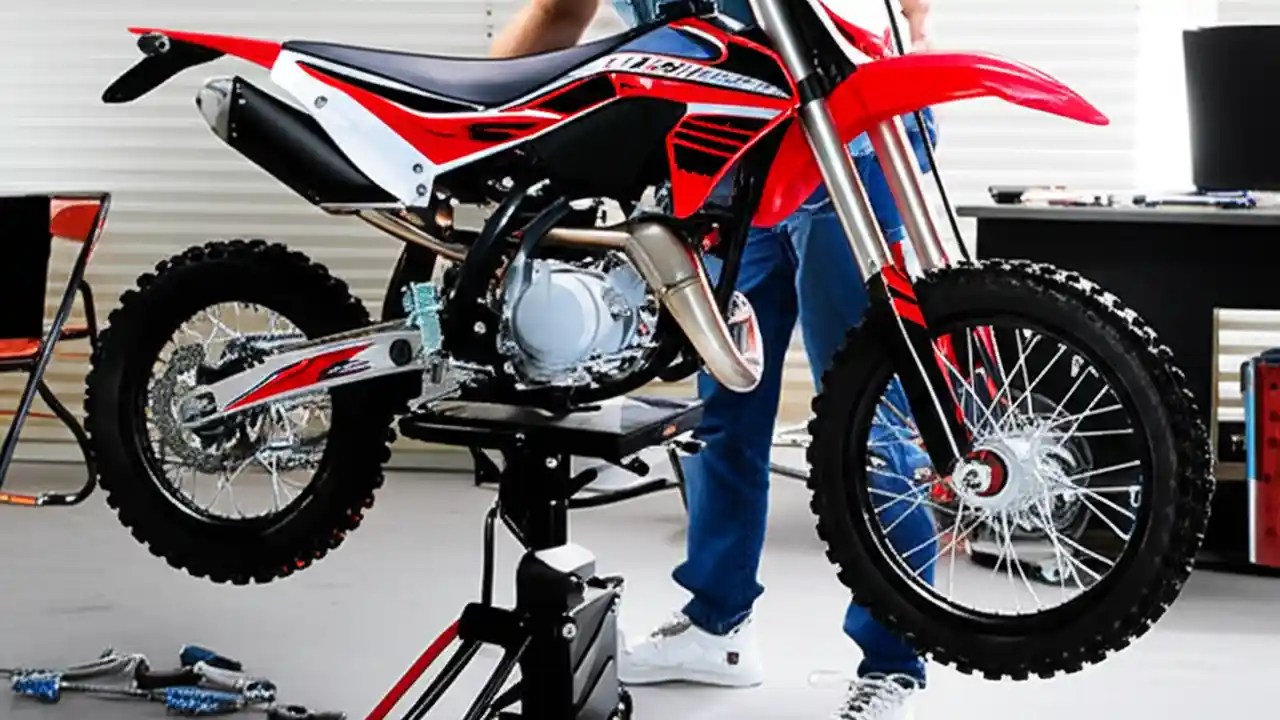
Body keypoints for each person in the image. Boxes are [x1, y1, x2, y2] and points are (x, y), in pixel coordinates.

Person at [492, 2, 939, 718]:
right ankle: (717, 627)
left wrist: (914, 32)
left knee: (866, 415)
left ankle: (896, 661)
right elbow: (559, 12)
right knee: (725, 408)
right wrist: (464, 123)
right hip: (744, 175)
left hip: (848, 148)